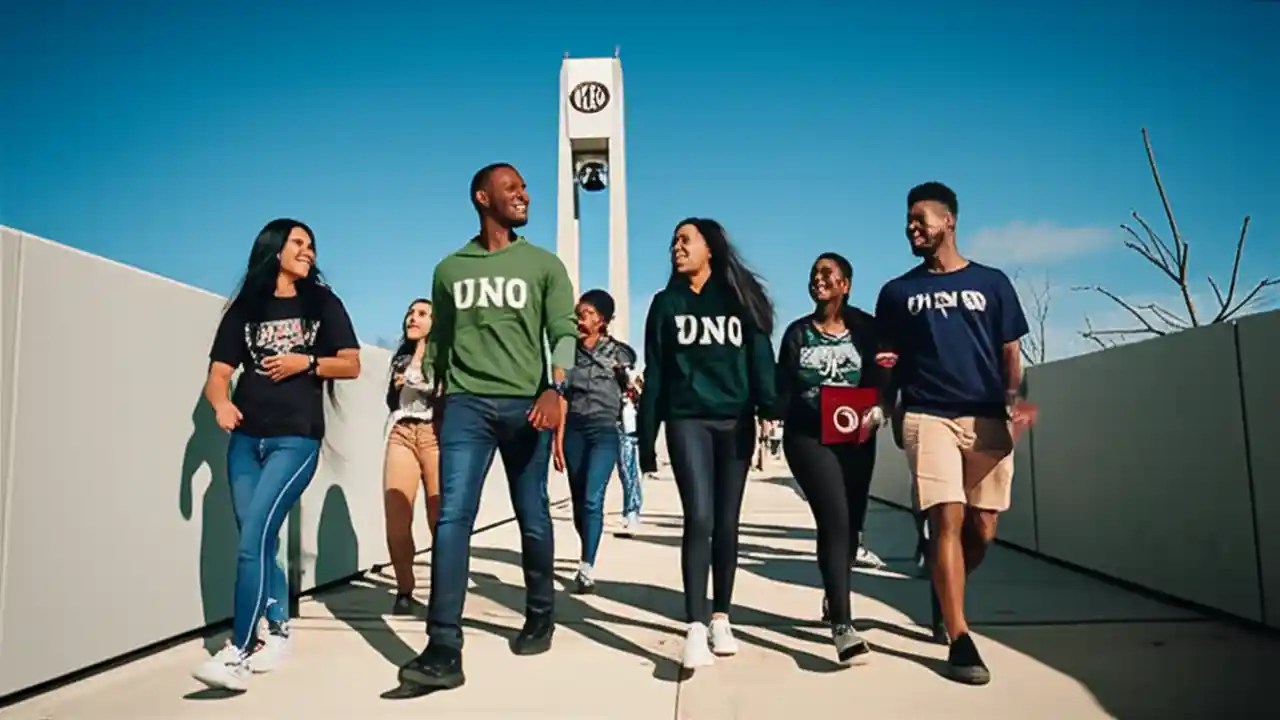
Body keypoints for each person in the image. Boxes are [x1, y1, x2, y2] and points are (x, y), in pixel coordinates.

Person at [398, 163, 577, 692]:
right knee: (453, 515)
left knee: (533, 514)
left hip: (528, 406)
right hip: (467, 406)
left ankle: (541, 611)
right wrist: (438, 393)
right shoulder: (449, 269)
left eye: (524, 187)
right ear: (482, 197)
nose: (523, 194)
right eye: (511, 187)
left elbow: (562, 332)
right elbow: (443, 342)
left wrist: (556, 388)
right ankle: (443, 647)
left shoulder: (544, 265)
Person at [874, 182, 1038, 686]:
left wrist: (1017, 403)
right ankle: (959, 634)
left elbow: (1011, 353)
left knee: (983, 527)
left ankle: (947, 587)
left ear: (949, 221)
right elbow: (886, 362)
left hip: (987, 416)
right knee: (946, 517)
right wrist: (890, 410)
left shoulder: (993, 283)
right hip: (929, 414)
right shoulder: (898, 292)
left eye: (921, 217)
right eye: (907, 219)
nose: (912, 227)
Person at [193, 219, 361, 691]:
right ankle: (278, 628)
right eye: (299, 243)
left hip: (296, 439)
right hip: (246, 441)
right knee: (257, 537)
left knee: (252, 540)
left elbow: (351, 363)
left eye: (312, 245)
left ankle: (237, 653)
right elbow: (217, 375)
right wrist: (222, 404)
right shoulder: (246, 308)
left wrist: (303, 362)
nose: (308, 252)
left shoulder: (322, 303)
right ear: (275, 249)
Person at [638, 217, 778, 670]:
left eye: (685, 240)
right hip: (687, 421)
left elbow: (761, 360)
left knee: (727, 521)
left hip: (735, 422)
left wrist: (772, 405)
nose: (676, 248)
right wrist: (646, 436)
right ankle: (695, 625)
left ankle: (722, 617)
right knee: (698, 516)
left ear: (710, 249)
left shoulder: (740, 300)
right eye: (673, 241)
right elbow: (656, 373)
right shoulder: (665, 304)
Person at [773, 252, 896, 664]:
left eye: (827, 273)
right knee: (834, 517)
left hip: (858, 435)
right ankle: (843, 625)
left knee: (851, 525)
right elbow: (782, 391)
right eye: (813, 273)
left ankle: (834, 594)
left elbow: (884, 373)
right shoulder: (796, 334)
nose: (818, 279)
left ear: (845, 284)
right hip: (809, 437)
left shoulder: (867, 329)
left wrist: (881, 407)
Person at [554, 289, 637, 592]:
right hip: (574, 429)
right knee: (579, 501)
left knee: (592, 497)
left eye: (588, 313)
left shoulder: (620, 353)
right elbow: (561, 395)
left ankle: (587, 565)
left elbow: (630, 379)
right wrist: (558, 438)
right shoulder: (567, 350)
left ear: (602, 320)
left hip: (604, 430)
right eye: (580, 312)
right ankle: (585, 547)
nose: (581, 318)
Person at [382, 298, 439, 615]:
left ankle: (443, 591)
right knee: (397, 520)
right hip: (402, 431)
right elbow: (392, 399)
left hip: (435, 434)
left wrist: (418, 381)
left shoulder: (445, 356)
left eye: (422, 314)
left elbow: (448, 392)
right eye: (410, 313)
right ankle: (404, 589)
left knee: (439, 518)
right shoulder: (401, 358)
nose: (412, 318)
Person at [615, 371, 644, 537]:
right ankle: (630, 512)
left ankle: (632, 512)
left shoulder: (632, 392)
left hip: (629, 432)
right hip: (616, 428)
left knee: (629, 472)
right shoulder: (614, 389)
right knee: (626, 472)